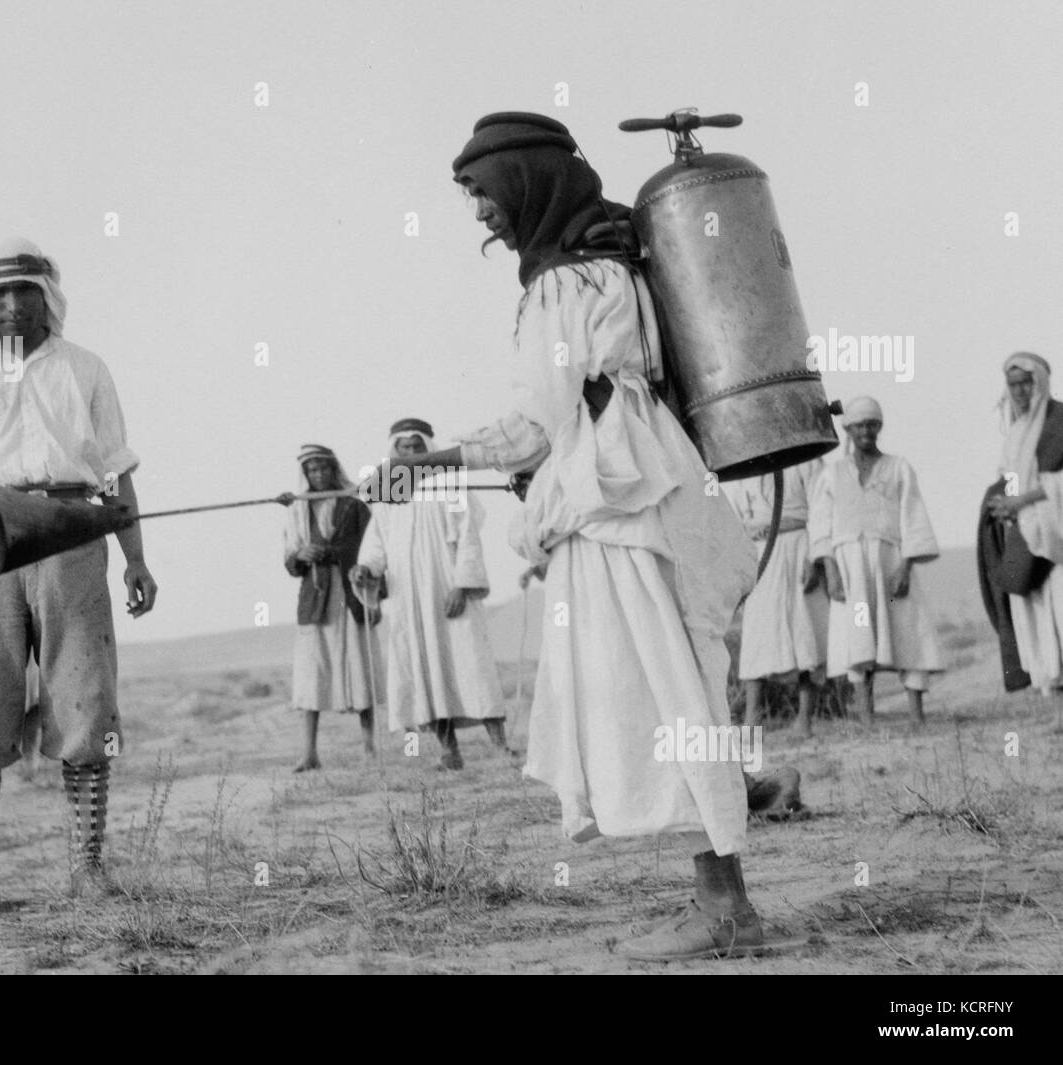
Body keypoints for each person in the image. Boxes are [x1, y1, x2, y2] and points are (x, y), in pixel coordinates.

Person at [365, 113, 766, 960]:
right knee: (677, 687)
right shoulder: (617, 267)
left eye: (482, 193)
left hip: (621, 508)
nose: (481, 215)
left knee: (668, 693)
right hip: (650, 487)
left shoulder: (562, 286)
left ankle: (725, 906)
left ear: (524, 182)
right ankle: (721, 888)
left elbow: (536, 422)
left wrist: (428, 463)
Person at [0, 237, 158, 920]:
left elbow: (115, 471)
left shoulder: (85, 369)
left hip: (72, 537)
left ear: (48, 293)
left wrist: (135, 558)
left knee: (84, 700)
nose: (12, 305)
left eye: (24, 290)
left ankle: (87, 868)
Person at [352, 418, 508, 770]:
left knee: (471, 661)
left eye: (416, 447)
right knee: (423, 672)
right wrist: (366, 570)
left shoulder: (449, 485)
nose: (410, 454)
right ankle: (449, 752)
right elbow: (377, 546)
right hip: (408, 596)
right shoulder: (388, 495)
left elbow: (468, 535)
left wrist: (462, 584)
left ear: (428, 449)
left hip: (447, 588)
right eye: (403, 449)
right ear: (395, 452)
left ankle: (501, 747)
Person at [809, 396, 941, 726]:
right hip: (849, 565)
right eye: (859, 425)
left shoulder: (898, 467)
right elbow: (820, 526)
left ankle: (916, 716)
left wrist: (907, 565)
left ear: (879, 427)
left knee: (906, 631)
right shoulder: (832, 474)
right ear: (848, 430)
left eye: (872, 424)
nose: (866, 431)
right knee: (858, 638)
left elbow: (913, 516)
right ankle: (867, 717)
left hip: (890, 561)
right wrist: (831, 569)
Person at [283, 444, 381, 771]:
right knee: (312, 674)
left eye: (323, 468)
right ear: (306, 474)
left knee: (359, 669)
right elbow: (290, 554)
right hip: (315, 598)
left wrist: (330, 552)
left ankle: (370, 749)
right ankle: (309, 753)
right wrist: (300, 556)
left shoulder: (355, 505)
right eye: (312, 470)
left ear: (333, 469)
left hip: (350, 595)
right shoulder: (297, 509)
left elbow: (370, 548)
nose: (318, 475)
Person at [983, 353, 1063, 729]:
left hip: (1057, 534)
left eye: (1026, 383)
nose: (1019, 391)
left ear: (1041, 382)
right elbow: (1010, 477)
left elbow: (1058, 483)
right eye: (1013, 384)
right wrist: (1005, 504)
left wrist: (1021, 500)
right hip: (1026, 534)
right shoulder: (1015, 431)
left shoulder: (1059, 421)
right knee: (1039, 618)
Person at [728, 459, 829, 737]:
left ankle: (805, 719)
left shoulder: (805, 459)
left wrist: (816, 557)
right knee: (756, 637)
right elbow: (734, 516)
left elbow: (822, 506)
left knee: (805, 631)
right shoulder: (746, 465)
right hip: (759, 554)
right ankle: (751, 721)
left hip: (799, 546)